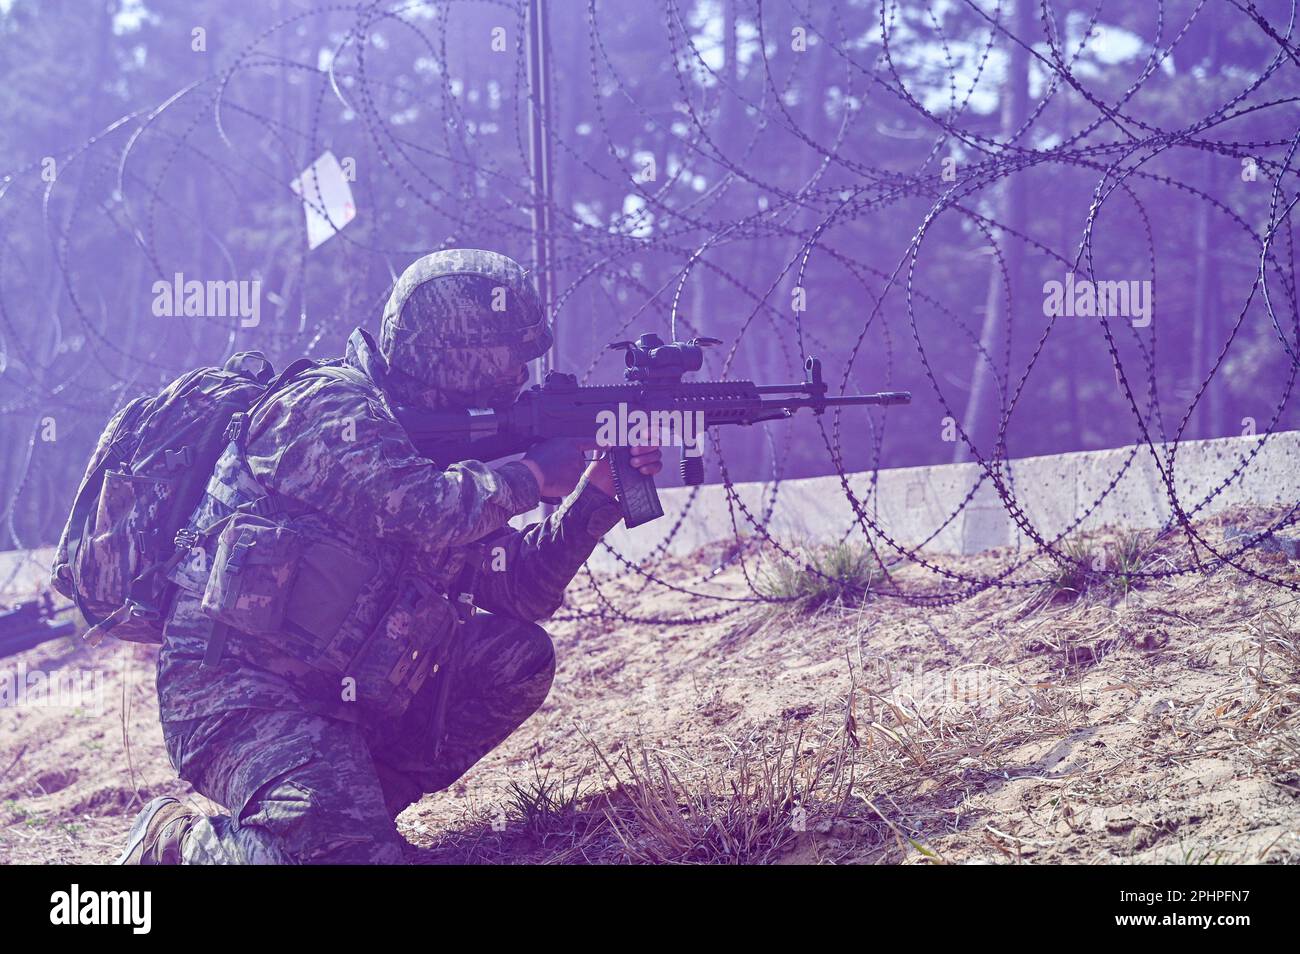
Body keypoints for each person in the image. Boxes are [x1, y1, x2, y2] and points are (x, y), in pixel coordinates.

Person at [116, 249, 661, 864]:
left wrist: (593, 499)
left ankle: (346, 820)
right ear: (458, 352)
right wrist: (532, 474)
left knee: (517, 657)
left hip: (344, 697)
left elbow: (519, 591)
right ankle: (183, 844)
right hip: (234, 692)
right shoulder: (327, 409)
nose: (521, 378)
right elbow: (427, 510)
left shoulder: (457, 448)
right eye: (512, 359)